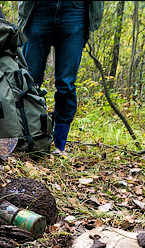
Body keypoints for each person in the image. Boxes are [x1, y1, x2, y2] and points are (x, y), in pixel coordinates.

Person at [18, 1, 104, 152]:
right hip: (38, 8)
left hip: (75, 10)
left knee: (66, 84)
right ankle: (29, 138)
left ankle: (59, 145)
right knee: (29, 81)